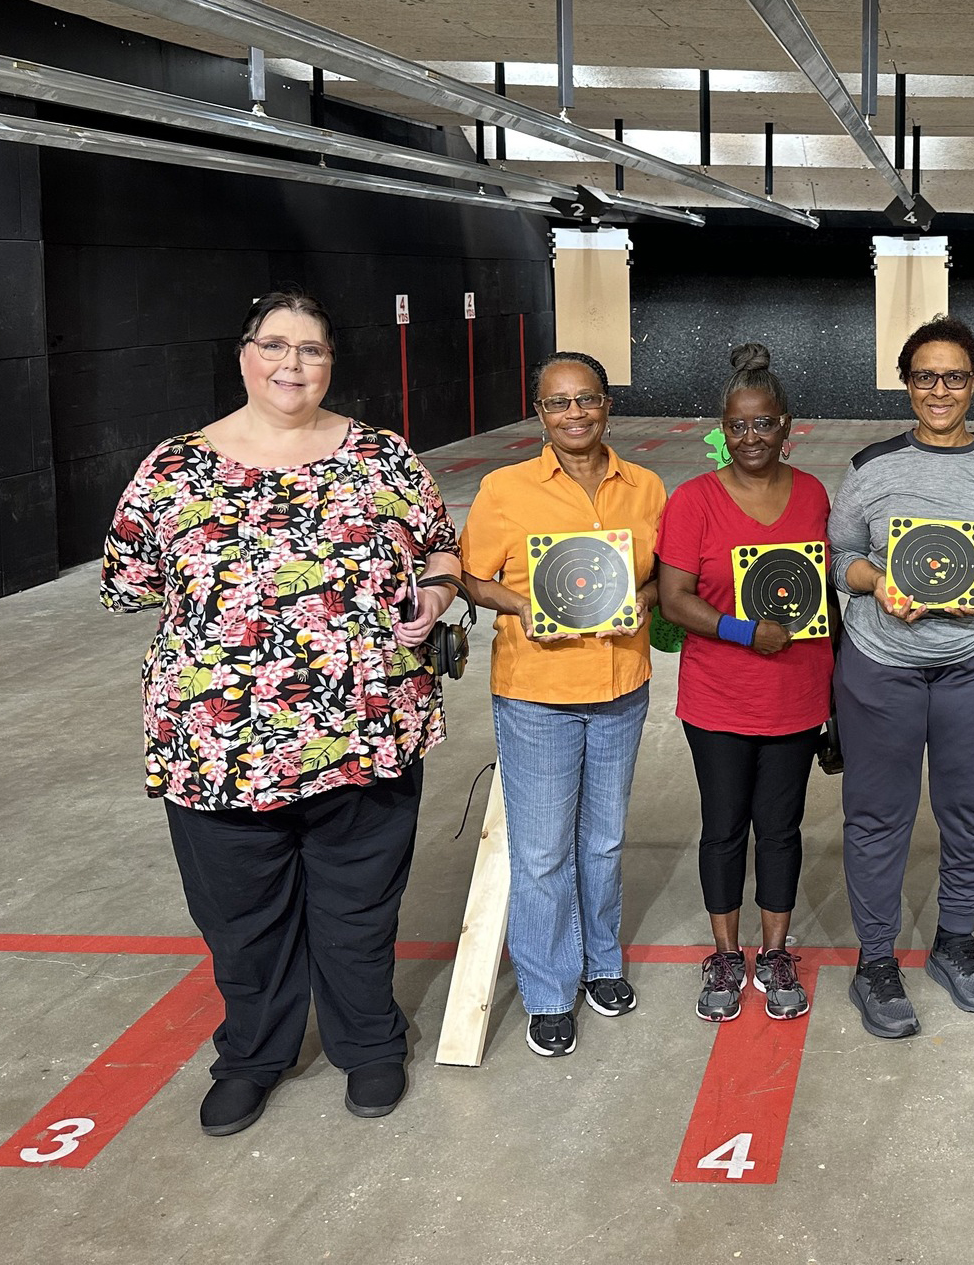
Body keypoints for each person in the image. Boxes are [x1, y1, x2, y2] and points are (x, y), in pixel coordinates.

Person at [100, 290, 459, 1136]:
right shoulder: (173, 468)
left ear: (332, 362)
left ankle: (367, 1041)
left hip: (365, 730)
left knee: (359, 904)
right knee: (240, 915)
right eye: (274, 345)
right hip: (218, 746)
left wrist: (437, 593)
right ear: (243, 354)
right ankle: (253, 1055)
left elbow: (440, 544)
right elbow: (130, 582)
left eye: (311, 349)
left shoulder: (383, 457)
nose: (291, 363)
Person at [826, 315, 974, 1039]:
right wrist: (876, 582)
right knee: (877, 816)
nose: (939, 390)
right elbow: (840, 557)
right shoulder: (871, 467)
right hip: (881, 664)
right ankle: (875, 962)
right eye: (925, 376)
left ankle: (955, 942)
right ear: (907, 383)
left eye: (954, 376)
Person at [459, 351, 666, 1059]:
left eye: (587, 399)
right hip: (536, 694)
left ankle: (601, 962)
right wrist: (522, 605)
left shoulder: (645, 487)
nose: (574, 413)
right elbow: (471, 577)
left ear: (608, 404)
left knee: (603, 841)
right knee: (544, 851)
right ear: (539, 414)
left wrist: (638, 602)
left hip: (620, 685)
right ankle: (549, 991)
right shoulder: (505, 489)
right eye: (558, 403)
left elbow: (660, 578)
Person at [655, 344, 834, 1023]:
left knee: (781, 829)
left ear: (787, 425)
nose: (750, 436)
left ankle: (775, 952)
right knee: (725, 827)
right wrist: (742, 630)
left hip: (797, 695)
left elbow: (826, 594)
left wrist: (840, 694)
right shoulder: (693, 500)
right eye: (737, 425)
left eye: (763, 423)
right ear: (722, 429)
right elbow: (674, 599)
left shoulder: (813, 494)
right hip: (719, 698)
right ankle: (727, 955)